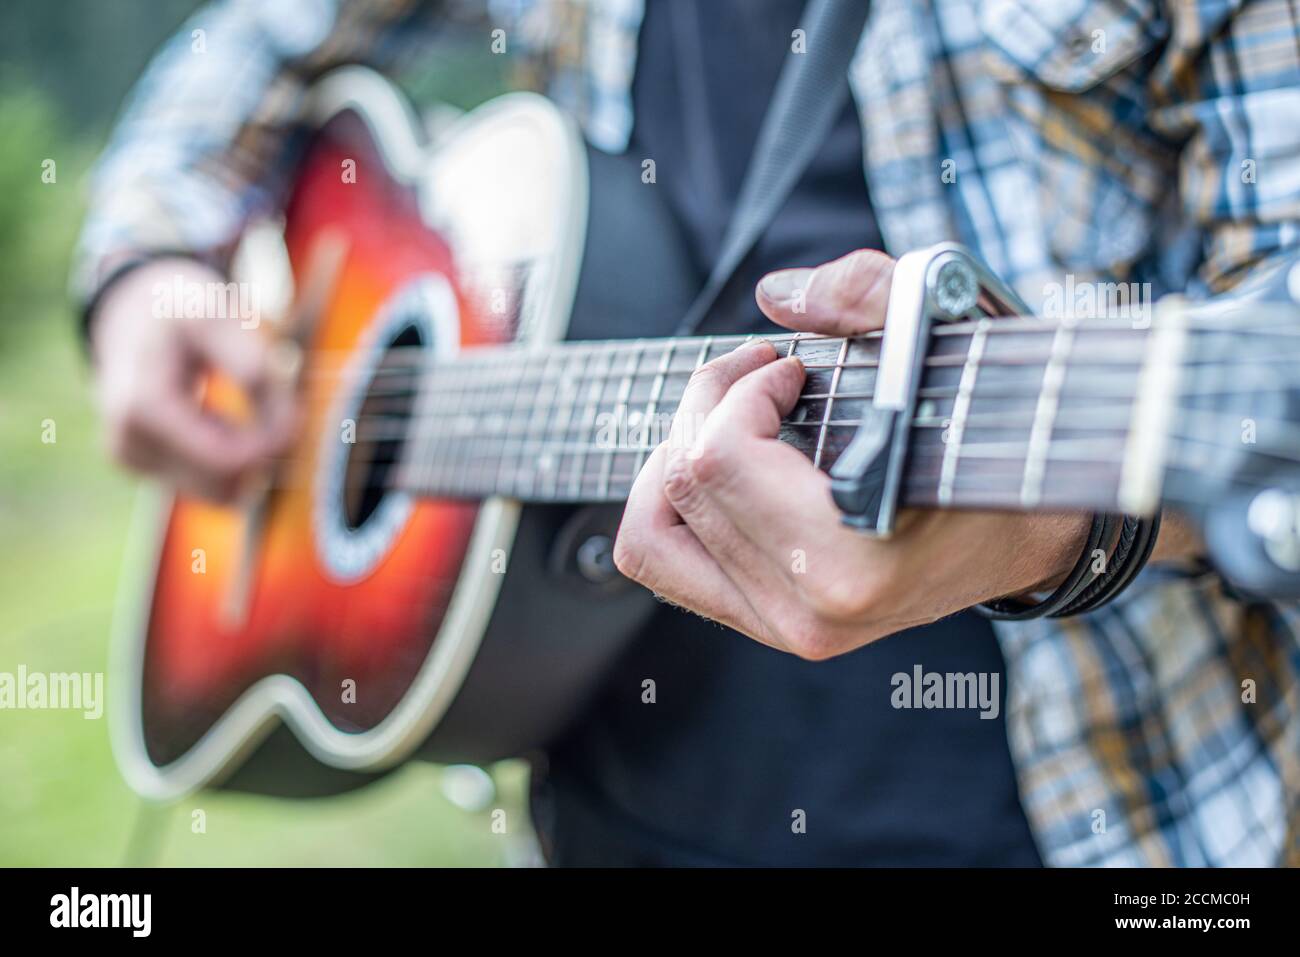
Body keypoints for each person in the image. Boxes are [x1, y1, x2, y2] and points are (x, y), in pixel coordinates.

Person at [74, 0, 1300, 866]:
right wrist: (145, 268)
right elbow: (257, 37)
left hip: (1084, 805)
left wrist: (1068, 532)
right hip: (598, 797)